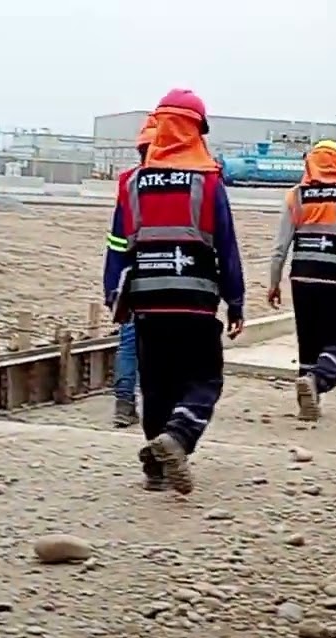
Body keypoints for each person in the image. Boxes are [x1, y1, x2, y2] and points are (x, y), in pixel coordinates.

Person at [102, 89, 245, 493]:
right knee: (205, 379)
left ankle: (155, 471)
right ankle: (178, 436)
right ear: (197, 131)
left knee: (157, 385)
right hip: (195, 300)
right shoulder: (209, 182)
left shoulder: (131, 183)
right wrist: (235, 301)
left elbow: (117, 245)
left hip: (147, 302)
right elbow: (226, 247)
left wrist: (113, 294)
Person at [267, 139, 336, 421]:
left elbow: (280, 248)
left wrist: (274, 283)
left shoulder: (295, 196)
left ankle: (308, 399)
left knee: (308, 340)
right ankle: (317, 380)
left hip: (301, 279)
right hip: (333, 280)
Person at [107, 114, 158, 428]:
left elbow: (116, 241)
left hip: (133, 277)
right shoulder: (187, 182)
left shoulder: (129, 183)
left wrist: (111, 286)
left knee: (129, 342)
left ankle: (124, 404)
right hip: (171, 277)